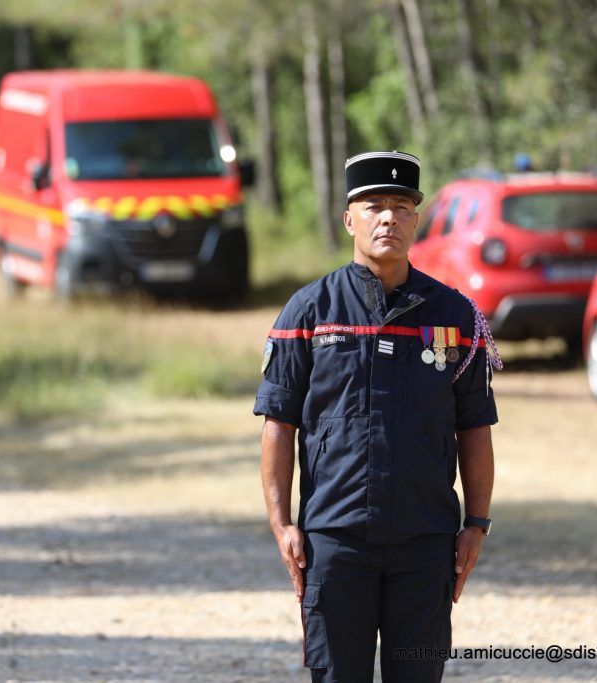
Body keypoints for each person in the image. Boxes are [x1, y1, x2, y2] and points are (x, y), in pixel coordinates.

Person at [254, 150, 501, 682]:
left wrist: (476, 523)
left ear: (416, 220)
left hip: (426, 541)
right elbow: (278, 424)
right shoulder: (308, 312)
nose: (388, 217)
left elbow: (475, 426)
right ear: (349, 220)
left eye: (401, 206)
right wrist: (282, 526)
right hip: (335, 541)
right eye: (373, 207)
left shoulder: (456, 317)